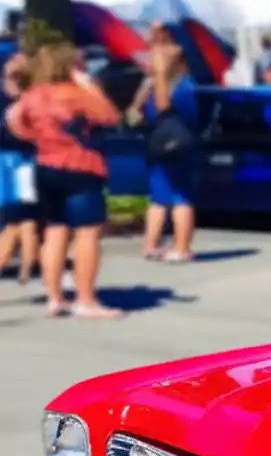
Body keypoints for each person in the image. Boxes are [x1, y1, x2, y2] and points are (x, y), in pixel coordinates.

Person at [5, 42, 122, 318]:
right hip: (81, 166)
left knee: (55, 230)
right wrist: (90, 84)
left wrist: (39, 138)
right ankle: (85, 299)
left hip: (45, 165)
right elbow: (110, 115)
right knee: (87, 232)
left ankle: (55, 298)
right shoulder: (76, 93)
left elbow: (15, 123)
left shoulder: (33, 95)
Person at [140, 25, 202, 262]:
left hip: (164, 142)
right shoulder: (179, 86)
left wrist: (157, 78)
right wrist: (156, 77)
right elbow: (146, 110)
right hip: (173, 143)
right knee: (177, 197)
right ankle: (175, 246)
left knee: (164, 197)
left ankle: (162, 244)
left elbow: (155, 109)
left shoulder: (173, 87)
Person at [0, 50, 38, 283]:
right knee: (19, 213)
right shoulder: (27, 95)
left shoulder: (30, 95)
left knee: (22, 213)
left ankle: (27, 264)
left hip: (22, 157)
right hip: (9, 156)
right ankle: (27, 263)